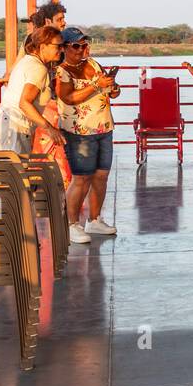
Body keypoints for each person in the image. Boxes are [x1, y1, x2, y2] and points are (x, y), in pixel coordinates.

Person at [55, 27, 119, 244]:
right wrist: (95, 85)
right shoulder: (62, 71)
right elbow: (68, 98)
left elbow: (106, 88)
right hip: (79, 131)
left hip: (103, 127)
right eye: (76, 46)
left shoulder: (92, 63)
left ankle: (95, 219)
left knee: (101, 176)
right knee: (81, 178)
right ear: (64, 48)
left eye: (84, 45)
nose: (82, 49)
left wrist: (112, 88)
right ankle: (72, 224)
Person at [0, 24, 66, 155]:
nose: (62, 50)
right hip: (15, 127)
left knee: (9, 173)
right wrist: (49, 128)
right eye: (58, 46)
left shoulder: (28, 61)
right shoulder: (38, 68)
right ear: (43, 46)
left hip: (6, 123)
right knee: (16, 174)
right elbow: (24, 103)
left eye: (63, 46)